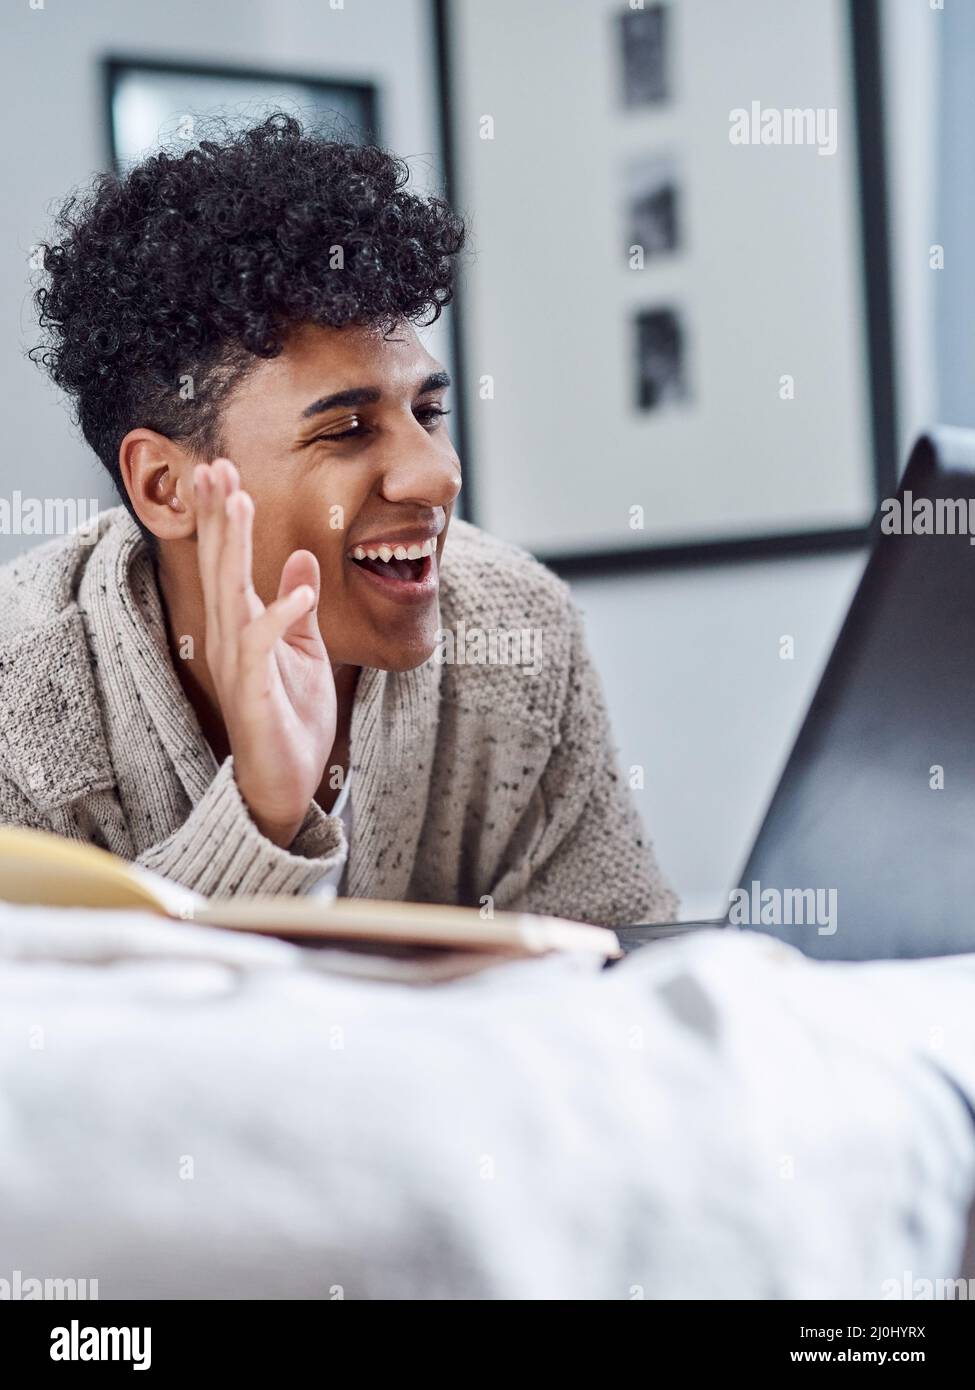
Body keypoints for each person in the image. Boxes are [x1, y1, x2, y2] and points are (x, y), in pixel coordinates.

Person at [1, 114, 676, 926]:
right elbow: (58, 1040)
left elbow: (625, 980)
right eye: (347, 430)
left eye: (428, 411)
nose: (437, 476)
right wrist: (259, 812)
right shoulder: (20, 695)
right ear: (165, 487)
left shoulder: (519, 631)